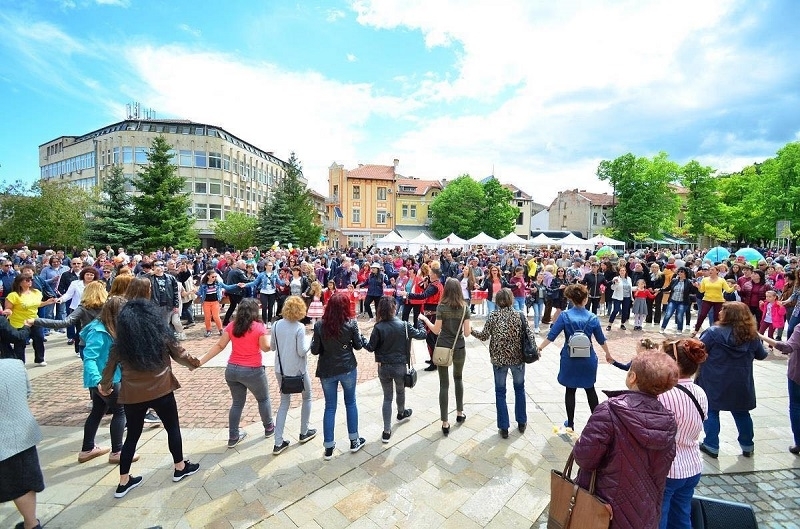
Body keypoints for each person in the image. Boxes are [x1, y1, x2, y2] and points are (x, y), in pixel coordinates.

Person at [99, 298, 201, 498]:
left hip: (133, 395)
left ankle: (124, 481)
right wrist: (194, 363)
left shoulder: (120, 344)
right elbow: (180, 354)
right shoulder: (160, 336)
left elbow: (108, 370)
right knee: (172, 428)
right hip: (161, 389)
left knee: (132, 436)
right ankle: (179, 467)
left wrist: (105, 387)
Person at [573, 351, 679, 529]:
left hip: (606, 510)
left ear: (632, 377)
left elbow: (584, 458)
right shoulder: (669, 422)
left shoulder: (609, 411)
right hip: (646, 512)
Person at [195, 298, 276, 448]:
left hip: (232, 369)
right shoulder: (259, 327)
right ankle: (269, 427)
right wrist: (275, 343)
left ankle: (233, 436)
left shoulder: (232, 326)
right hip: (253, 370)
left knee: (237, 403)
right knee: (263, 399)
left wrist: (201, 361)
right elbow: (265, 348)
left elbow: (220, 346)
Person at [695, 301, 768, 458]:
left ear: (730, 315)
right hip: (740, 381)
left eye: (723, 310)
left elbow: (697, 351)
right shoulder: (752, 335)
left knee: (712, 411)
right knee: (742, 413)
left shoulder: (713, 332)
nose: (720, 312)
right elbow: (762, 355)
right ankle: (747, 445)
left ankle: (711, 445)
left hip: (714, 379)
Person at [538, 284, 612, 431]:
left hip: (570, 358)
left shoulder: (565, 316)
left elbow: (551, 336)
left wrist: (540, 348)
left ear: (571, 299)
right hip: (588, 358)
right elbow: (601, 339)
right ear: (585, 300)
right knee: (590, 389)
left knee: (570, 390)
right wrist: (608, 354)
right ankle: (597, 423)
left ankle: (570, 423)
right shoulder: (592, 317)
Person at [75, 297, 138, 465]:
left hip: (108, 378)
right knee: (120, 411)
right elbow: (89, 358)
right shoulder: (98, 331)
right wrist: (98, 382)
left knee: (97, 410)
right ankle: (117, 451)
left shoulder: (110, 328)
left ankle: (87, 449)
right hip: (105, 380)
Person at [471, 288, 535, 438]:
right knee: (519, 388)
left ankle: (504, 426)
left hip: (499, 359)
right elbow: (529, 335)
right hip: (517, 358)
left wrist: (471, 330)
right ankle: (521, 421)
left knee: (500, 392)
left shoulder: (494, 316)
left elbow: (484, 336)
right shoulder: (519, 315)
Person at [658, 339, 709, 529]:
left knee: (659, 517)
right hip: (692, 465)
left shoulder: (664, 393)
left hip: (669, 468)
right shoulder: (700, 392)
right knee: (681, 517)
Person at [311, 292, 367, 460]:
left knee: (330, 407)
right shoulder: (350, 323)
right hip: (347, 367)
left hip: (327, 369)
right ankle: (354, 439)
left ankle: (329, 446)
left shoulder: (320, 325)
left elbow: (315, 350)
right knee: (350, 403)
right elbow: (358, 346)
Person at [364, 296, 427, 443]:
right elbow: (421, 334)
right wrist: (420, 322)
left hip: (384, 367)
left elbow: (370, 347)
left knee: (387, 398)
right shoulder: (404, 325)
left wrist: (360, 338)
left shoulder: (378, 327)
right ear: (394, 309)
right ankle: (401, 412)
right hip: (400, 366)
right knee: (400, 390)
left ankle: (386, 431)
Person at [418, 277, 470, 436]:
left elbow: (435, 330)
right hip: (459, 346)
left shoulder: (441, 307)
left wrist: (425, 318)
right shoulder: (464, 307)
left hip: (442, 347)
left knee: (444, 385)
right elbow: (467, 333)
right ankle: (460, 413)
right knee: (458, 379)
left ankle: (445, 422)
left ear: (446, 290)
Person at [0, 358, 44, 529]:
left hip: (8, 438)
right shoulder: (15, 365)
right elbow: (26, 393)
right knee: (23, 482)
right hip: (20, 433)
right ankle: (31, 523)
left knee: (20, 483)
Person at [269, 296, 315, 455]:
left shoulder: (275, 325)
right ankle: (304, 431)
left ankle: (278, 441)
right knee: (307, 397)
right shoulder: (299, 327)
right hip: (297, 370)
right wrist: (311, 343)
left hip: (280, 370)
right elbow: (301, 351)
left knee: (284, 403)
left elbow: (272, 347)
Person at [33, 280, 107, 358]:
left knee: (90, 367)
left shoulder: (83, 308)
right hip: (105, 342)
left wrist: (36, 321)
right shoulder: (110, 306)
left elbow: (64, 323)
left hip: (87, 343)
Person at [760, 330, 800, 454]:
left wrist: (760, 336)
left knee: (796, 406)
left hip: (797, 374)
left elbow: (787, 347)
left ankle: (799, 443)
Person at [4, 274, 57, 365]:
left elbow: (37, 304)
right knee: (20, 343)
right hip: (19, 322)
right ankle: (20, 362)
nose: (30, 282)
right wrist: (8, 312)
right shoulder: (13, 295)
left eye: (30, 280)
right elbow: (8, 308)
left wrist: (47, 303)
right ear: (20, 283)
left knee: (39, 339)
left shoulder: (36, 292)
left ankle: (40, 359)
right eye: (27, 280)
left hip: (34, 320)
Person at [693, 264, 736, 336]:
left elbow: (728, 290)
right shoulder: (705, 279)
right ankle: (696, 330)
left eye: (712, 270)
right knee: (702, 315)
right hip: (707, 299)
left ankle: (716, 332)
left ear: (717, 271)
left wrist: (734, 287)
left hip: (718, 300)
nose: (710, 271)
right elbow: (701, 291)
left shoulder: (721, 280)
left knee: (716, 317)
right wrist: (698, 287)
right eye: (710, 270)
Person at [196, 270, 240, 338]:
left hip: (215, 302)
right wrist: (194, 292)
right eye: (213, 277)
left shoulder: (218, 283)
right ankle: (208, 330)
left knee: (216, 316)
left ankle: (220, 329)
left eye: (215, 277)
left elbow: (227, 287)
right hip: (206, 303)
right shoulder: (203, 285)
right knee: (207, 317)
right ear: (208, 276)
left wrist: (236, 285)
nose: (214, 278)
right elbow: (200, 293)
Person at [659, 267, 695, 334]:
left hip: (683, 302)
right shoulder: (674, 280)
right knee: (668, 314)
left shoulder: (689, 282)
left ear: (685, 273)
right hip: (673, 300)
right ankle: (662, 328)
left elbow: (693, 291)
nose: (680, 273)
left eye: (682, 272)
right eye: (679, 271)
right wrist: (660, 289)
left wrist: (695, 286)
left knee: (679, 315)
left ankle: (679, 329)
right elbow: (669, 288)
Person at [607, 265, 633, 331]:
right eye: (621, 271)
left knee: (625, 311)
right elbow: (612, 288)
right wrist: (616, 284)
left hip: (627, 297)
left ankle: (622, 324)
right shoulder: (616, 278)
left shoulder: (629, 279)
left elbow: (630, 288)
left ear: (625, 271)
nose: (622, 272)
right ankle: (609, 324)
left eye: (623, 270)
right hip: (618, 297)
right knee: (615, 310)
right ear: (619, 272)